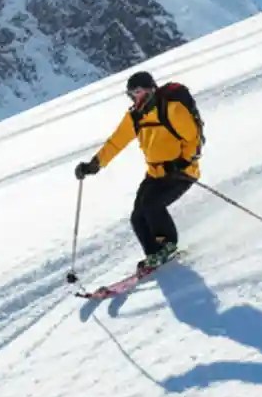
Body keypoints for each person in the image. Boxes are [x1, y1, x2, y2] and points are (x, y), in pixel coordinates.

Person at [74, 70, 201, 271]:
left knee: (152, 206)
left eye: (138, 92)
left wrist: (181, 163)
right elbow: (116, 142)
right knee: (137, 216)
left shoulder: (172, 110)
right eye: (131, 94)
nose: (135, 97)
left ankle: (167, 246)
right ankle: (153, 253)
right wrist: (94, 165)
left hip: (179, 173)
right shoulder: (135, 116)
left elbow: (193, 139)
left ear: (151, 90)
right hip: (155, 173)